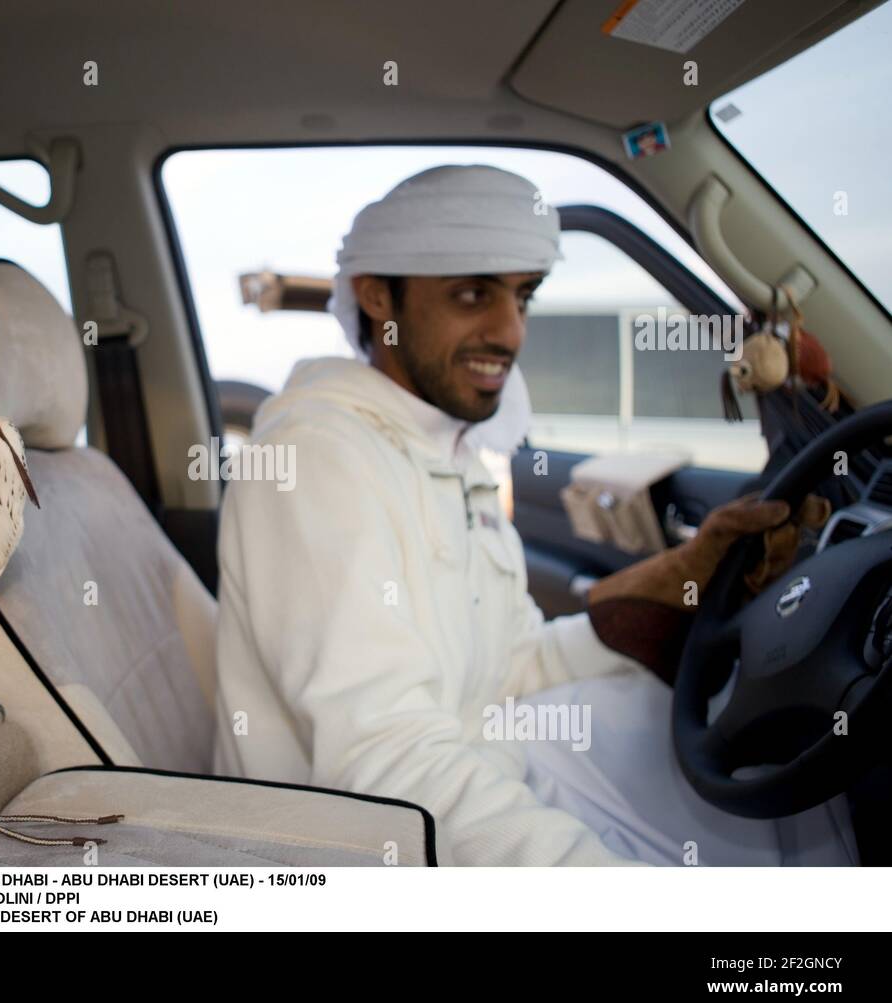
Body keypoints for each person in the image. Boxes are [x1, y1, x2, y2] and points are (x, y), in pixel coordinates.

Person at [211, 165, 858, 866]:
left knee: (771, 764)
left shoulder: (447, 450)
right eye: (471, 294)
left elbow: (512, 664)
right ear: (376, 295)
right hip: (348, 853)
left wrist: (675, 581)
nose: (509, 330)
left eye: (523, 295)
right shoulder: (316, 460)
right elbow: (386, 767)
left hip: (485, 759)